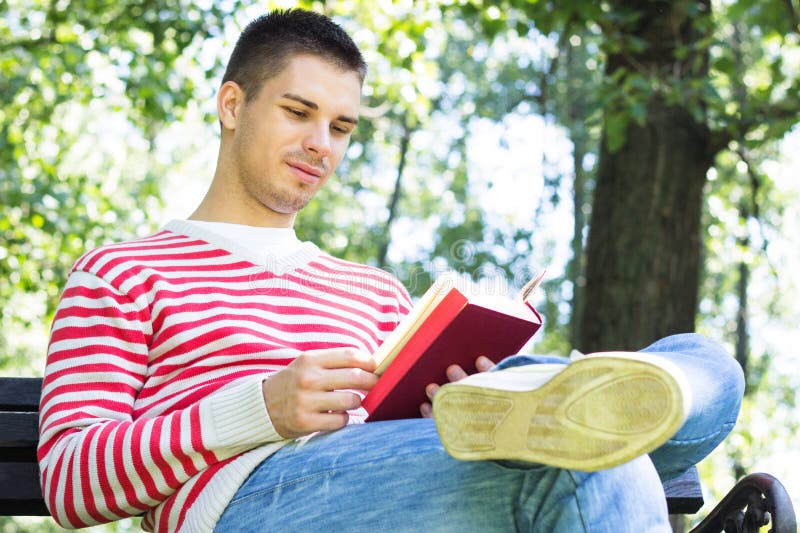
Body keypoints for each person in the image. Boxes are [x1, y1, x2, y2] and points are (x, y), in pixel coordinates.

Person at [38, 8, 745, 533]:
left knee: (706, 363)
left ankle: (558, 404)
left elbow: (404, 434)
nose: (321, 144)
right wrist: (258, 407)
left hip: (407, 470)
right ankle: (561, 416)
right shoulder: (121, 272)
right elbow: (70, 479)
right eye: (298, 111)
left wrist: (455, 399)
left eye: (341, 127)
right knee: (585, 463)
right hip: (249, 499)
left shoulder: (374, 291)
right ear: (233, 104)